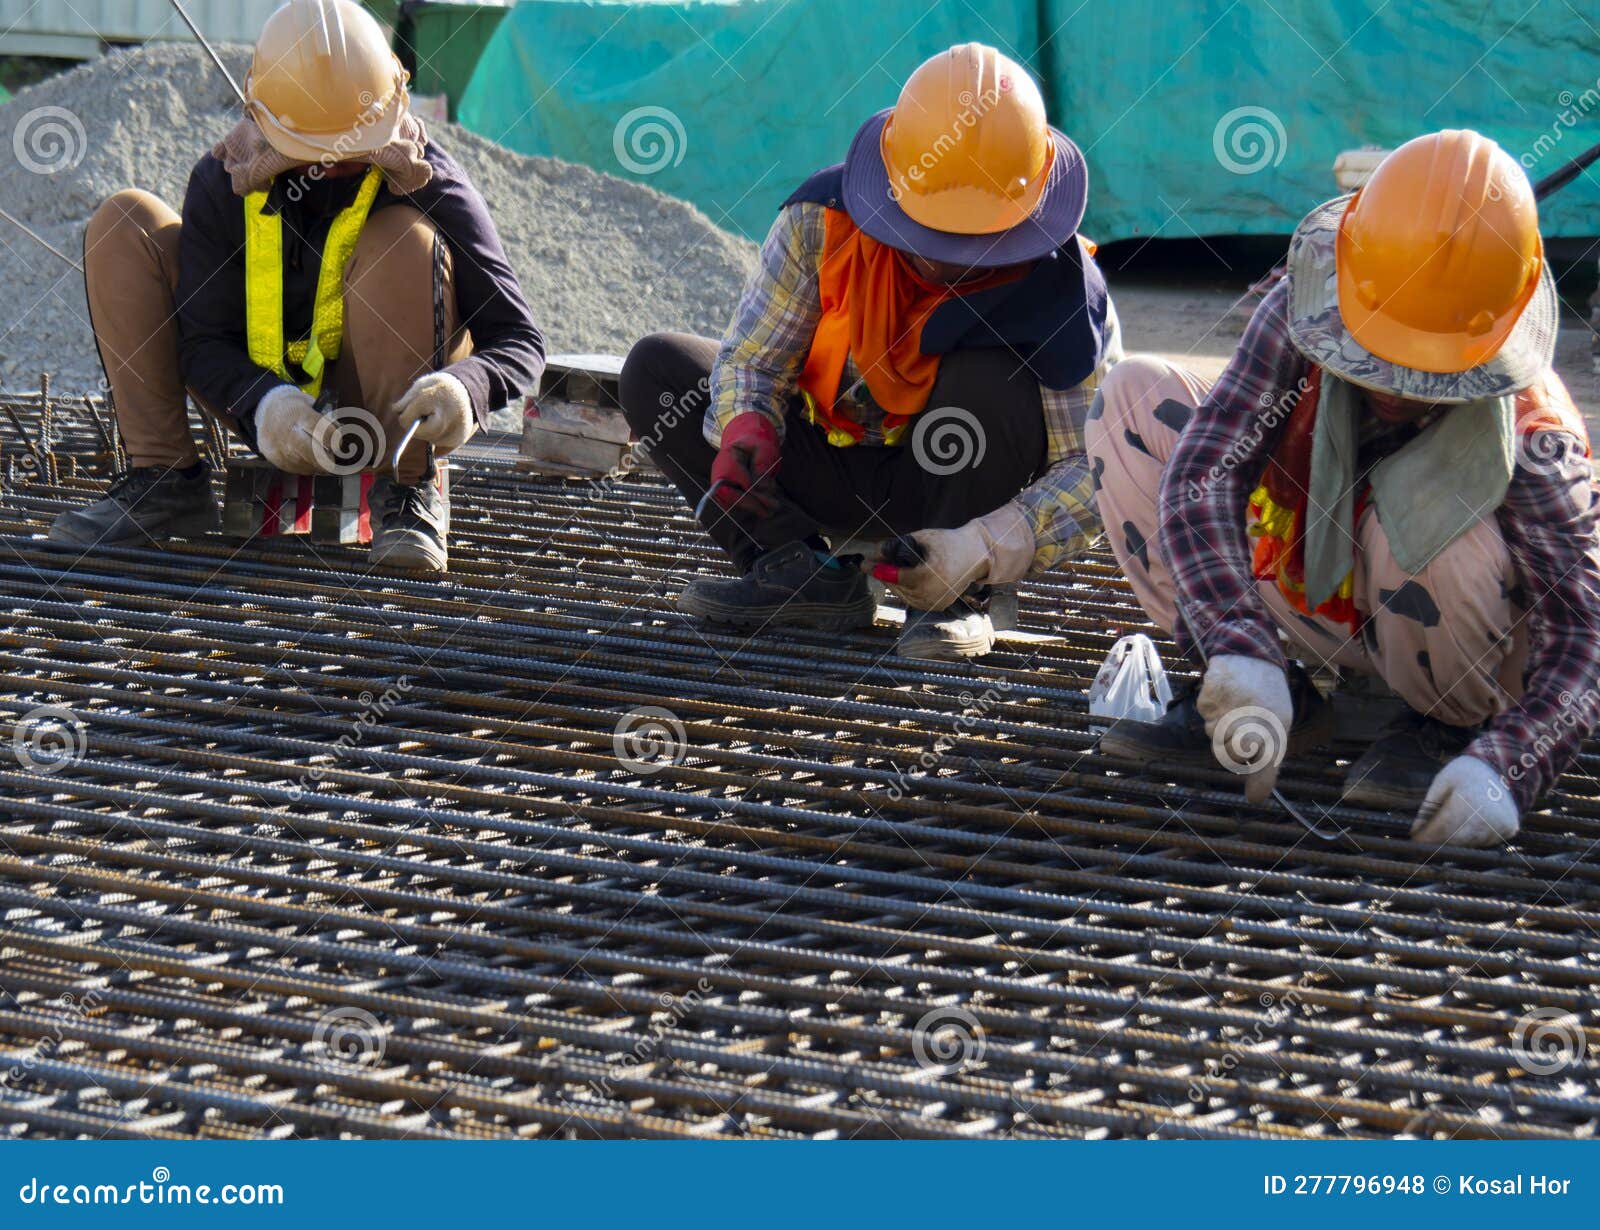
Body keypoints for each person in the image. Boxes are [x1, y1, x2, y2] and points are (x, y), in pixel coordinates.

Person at [1088, 129, 1600, 848]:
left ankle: (1444, 726)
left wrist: (1510, 768)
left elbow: (1583, 635)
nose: (1394, 385)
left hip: (1466, 639)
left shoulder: (1534, 437)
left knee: (1426, 521)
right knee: (1134, 401)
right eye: (1378, 355)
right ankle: (1283, 693)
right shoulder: (1310, 307)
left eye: (1424, 369)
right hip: (1318, 593)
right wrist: (1240, 650)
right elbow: (1206, 469)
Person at [620, 43, 1121, 660]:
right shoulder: (820, 222)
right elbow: (752, 360)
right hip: (832, 467)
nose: (945, 262)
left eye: (972, 245)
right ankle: (802, 574)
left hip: (955, 498)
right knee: (659, 369)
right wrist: (746, 425)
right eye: (929, 238)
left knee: (991, 374)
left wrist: (985, 545)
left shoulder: (1066, 292)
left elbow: (1094, 470)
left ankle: (951, 599)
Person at [50, 0, 544, 573]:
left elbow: (518, 337)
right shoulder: (225, 180)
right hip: (274, 410)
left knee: (404, 237)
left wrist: (466, 388)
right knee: (126, 221)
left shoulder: (429, 177)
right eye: (312, 149)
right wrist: (266, 406)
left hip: (391, 410)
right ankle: (164, 480)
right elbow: (202, 339)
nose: (334, 165)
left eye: (351, 148)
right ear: (259, 118)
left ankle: (408, 493)